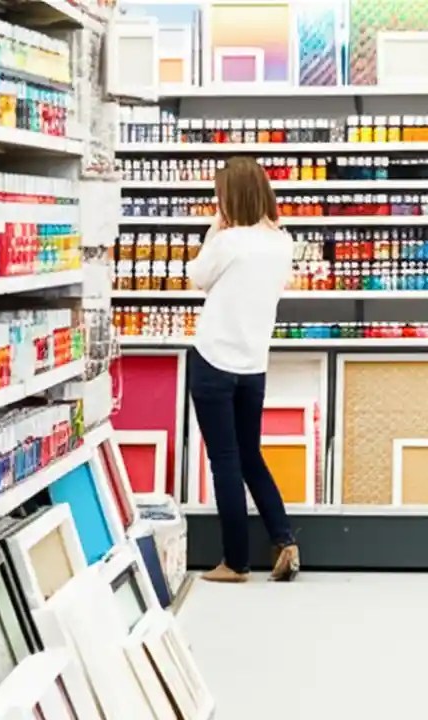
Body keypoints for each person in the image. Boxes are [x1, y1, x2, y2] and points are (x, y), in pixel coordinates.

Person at [188, 157, 300, 583]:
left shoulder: (228, 241)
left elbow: (197, 276)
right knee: (251, 455)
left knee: (225, 461)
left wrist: (214, 230)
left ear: (228, 198)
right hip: (254, 364)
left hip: (214, 359)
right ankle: (284, 539)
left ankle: (235, 562)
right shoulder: (281, 242)